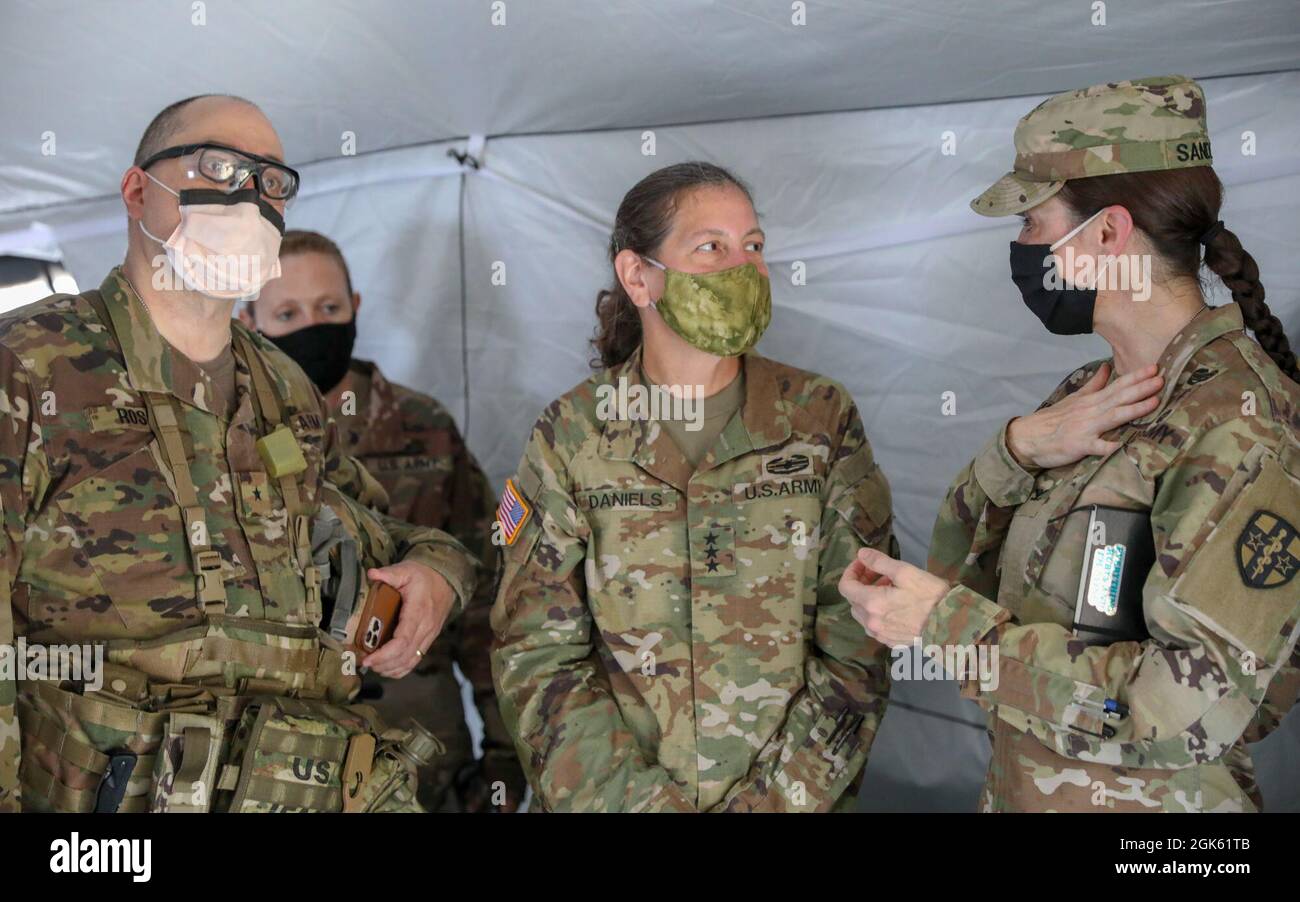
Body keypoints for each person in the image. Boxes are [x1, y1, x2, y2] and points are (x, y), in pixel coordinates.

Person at [0, 94, 476, 813]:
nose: (249, 195)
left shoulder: (284, 389)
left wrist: (437, 574)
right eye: (218, 166)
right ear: (138, 190)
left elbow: (389, 533)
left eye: (271, 181)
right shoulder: (31, 367)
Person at [839, 75, 1300, 812]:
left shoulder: (1240, 421)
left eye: (1031, 222)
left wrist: (944, 625)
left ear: (1109, 233)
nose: (1020, 246)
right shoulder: (1090, 393)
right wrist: (1016, 452)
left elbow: (1180, 708)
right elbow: (963, 578)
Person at [490, 161, 896, 812]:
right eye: (712, 246)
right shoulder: (571, 436)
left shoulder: (818, 419)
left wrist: (774, 803)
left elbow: (863, 640)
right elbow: (536, 653)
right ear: (638, 275)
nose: (744, 267)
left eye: (754, 246)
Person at [240, 229, 525, 812]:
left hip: (419, 734)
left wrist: (505, 751)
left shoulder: (425, 428)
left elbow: (490, 601)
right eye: (287, 312)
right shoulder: (235, 438)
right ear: (251, 320)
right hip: (282, 753)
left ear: (356, 308)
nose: (311, 326)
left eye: (328, 308)